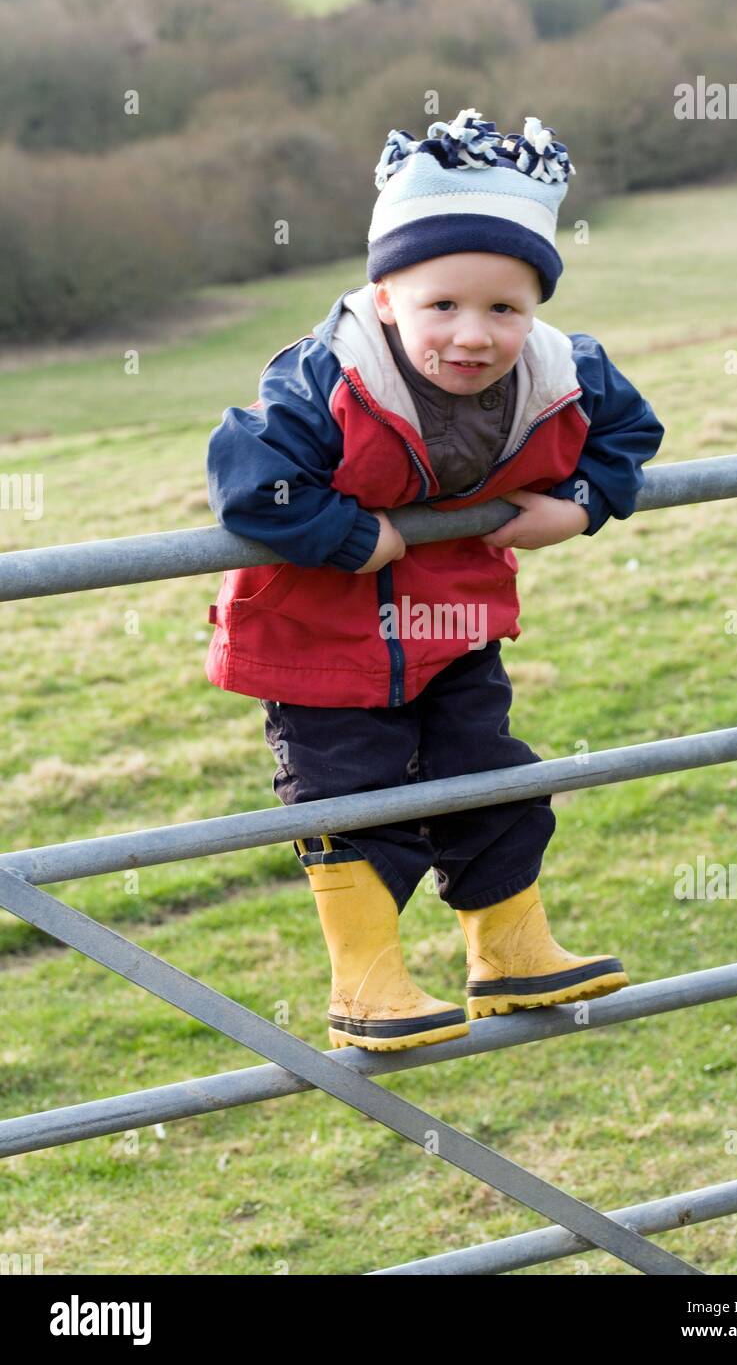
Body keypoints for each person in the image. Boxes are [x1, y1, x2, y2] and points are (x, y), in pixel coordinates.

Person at [204, 108, 664, 1053]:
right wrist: (345, 536)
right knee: (358, 799)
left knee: (492, 776)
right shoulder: (326, 377)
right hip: (319, 641)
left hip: (455, 623)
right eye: (442, 306)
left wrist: (580, 503)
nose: (474, 334)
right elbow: (248, 483)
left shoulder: (562, 369)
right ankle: (367, 990)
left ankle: (510, 952)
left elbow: (630, 435)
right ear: (384, 298)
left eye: (505, 307)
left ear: (535, 308)